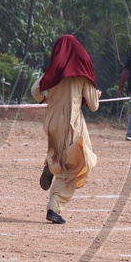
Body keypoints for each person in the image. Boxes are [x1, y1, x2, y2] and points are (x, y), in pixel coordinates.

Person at [31, 35, 101, 224]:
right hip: (71, 124)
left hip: (51, 122)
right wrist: (95, 94)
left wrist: (44, 100)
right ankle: (54, 207)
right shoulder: (81, 75)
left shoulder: (53, 73)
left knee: (62, 157)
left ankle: (51, 164)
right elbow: (94, 106)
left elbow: (34, 90)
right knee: (76, 165)